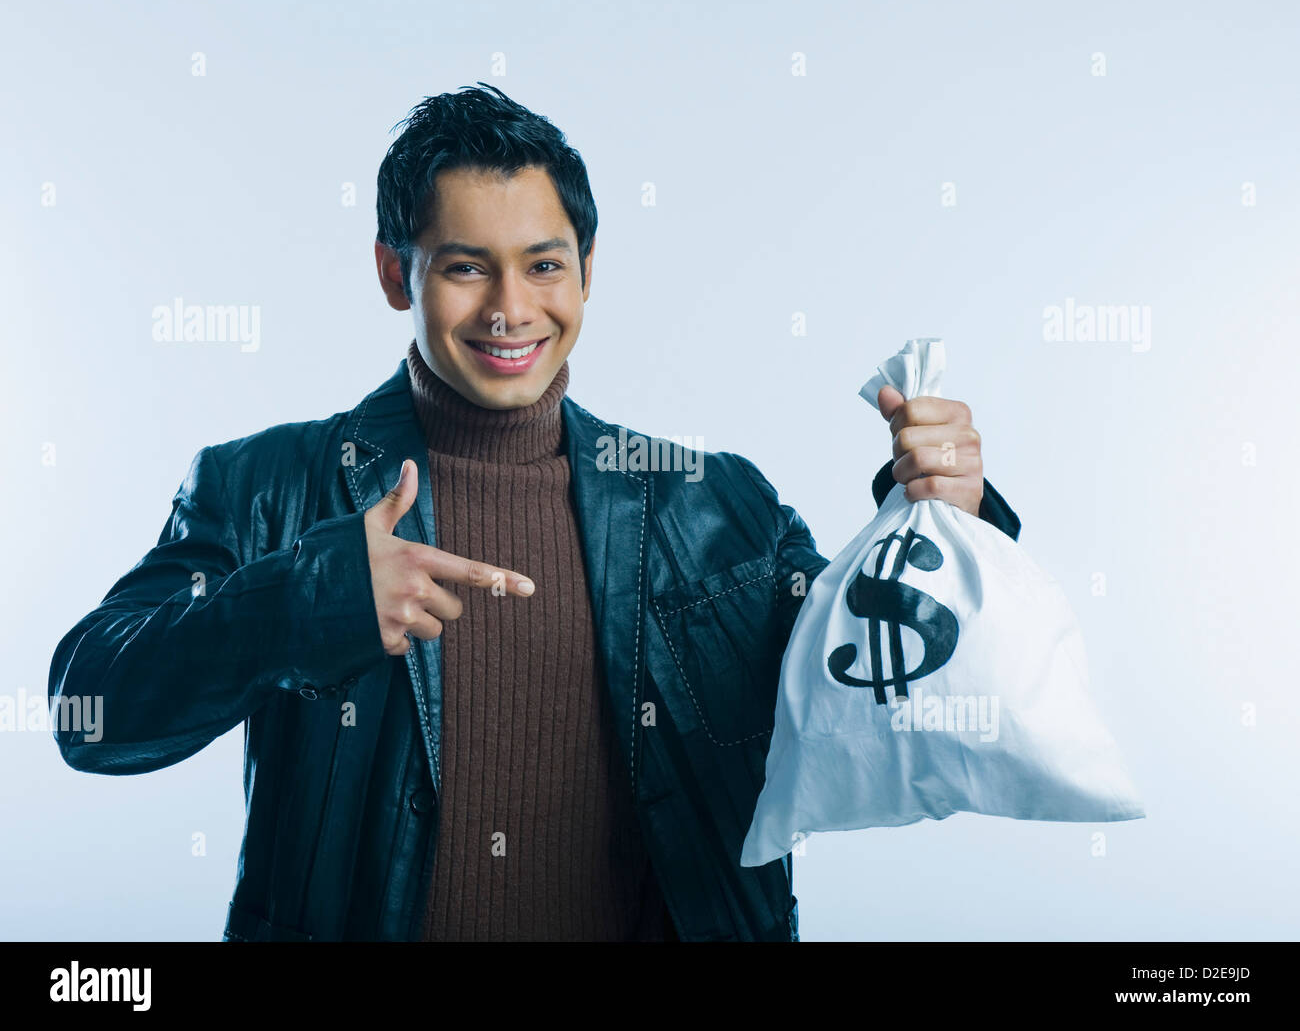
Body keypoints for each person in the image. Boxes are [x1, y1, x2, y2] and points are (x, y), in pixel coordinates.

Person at [48, 83, 1021, 942]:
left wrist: (949, 526)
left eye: (544, 265)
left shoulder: (716, 506)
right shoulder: (264, 485)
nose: (511, 309)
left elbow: (893, 710)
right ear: (396, 274)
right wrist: (309, 602)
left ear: (587, 269)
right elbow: (87, 711)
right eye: (466, 267)